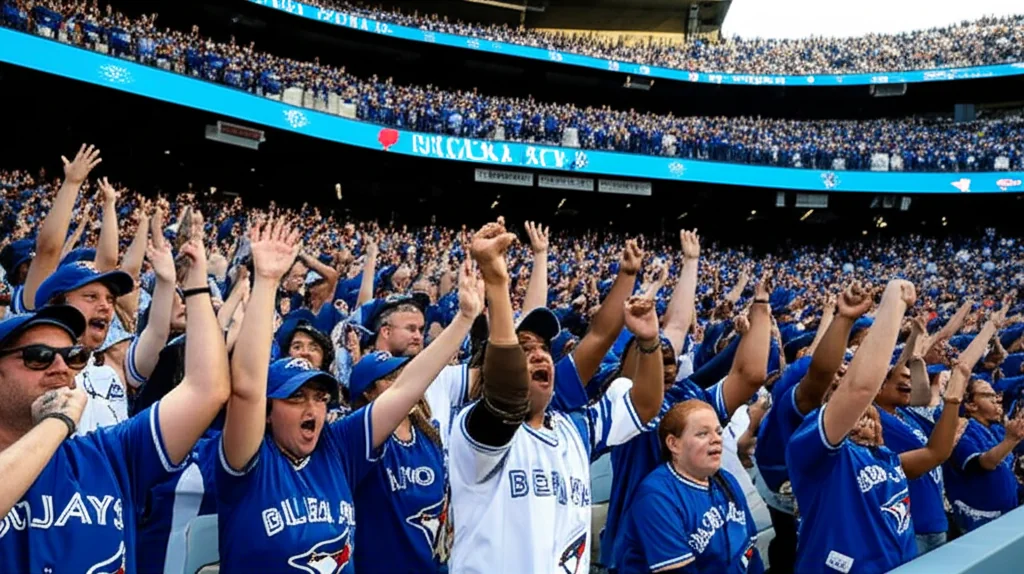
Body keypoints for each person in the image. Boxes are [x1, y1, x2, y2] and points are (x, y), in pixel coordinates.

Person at [215, 218, 484, 573]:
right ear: (267, 412)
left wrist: (464, 319)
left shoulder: (337, 446)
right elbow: (248, 388)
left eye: (320, 397)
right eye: (296, 398)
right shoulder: (248, 460)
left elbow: (406, 387)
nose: (312, 407)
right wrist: (266, 282)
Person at [447, 219, 665, 574]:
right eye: (524, 348)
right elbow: (505, 396)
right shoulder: (476, 433)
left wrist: (649, 341)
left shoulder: (574, 429)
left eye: (545, 347)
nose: (539, 354)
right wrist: (498, 284)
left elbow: (644, 405)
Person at [0, 235, 229, 571]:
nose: (61, 367)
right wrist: (56, 423)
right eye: (39, 357)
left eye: (73, 356)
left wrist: (196, 286)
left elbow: (207, 389)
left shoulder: (110, 455)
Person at [786, 280, 969, 573]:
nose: (863, 423)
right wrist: (892, 303)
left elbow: (936, 453)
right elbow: (859, 389)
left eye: (868, 418)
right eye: (855, 416)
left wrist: (954, 398)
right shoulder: (812, 448)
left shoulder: (886, 458)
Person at [617, 399, 763, 573]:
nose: (716, 439)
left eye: (718, 432)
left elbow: (749, 552)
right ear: (673, 443)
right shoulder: (656, 498)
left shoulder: (726, 480)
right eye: (703, 434)